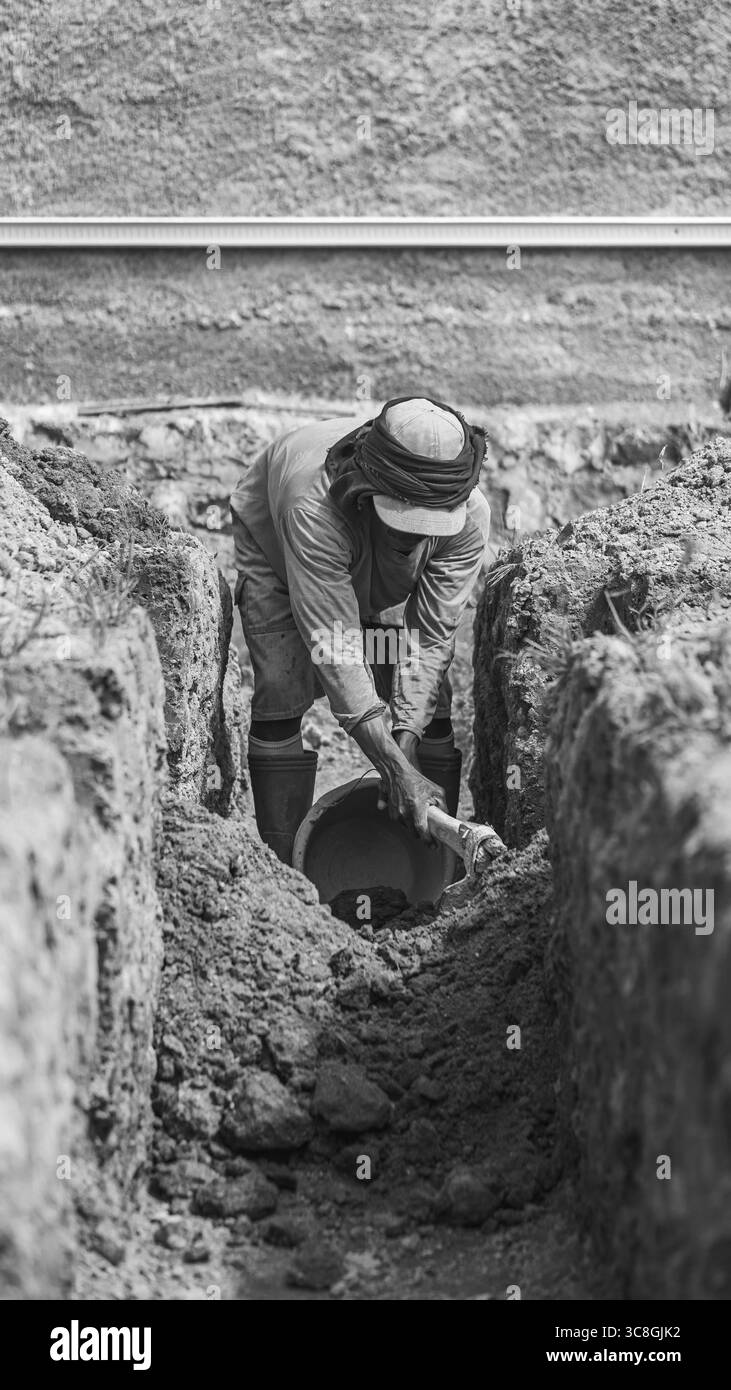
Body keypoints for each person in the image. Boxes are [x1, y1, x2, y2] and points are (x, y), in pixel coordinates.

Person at [230, 395, 491, 863]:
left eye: (426, 527)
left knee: (426, 697)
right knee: (282, 687)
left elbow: (428, 638)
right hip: (280, 556)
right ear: (368, 490)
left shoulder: (469, 518)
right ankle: (286, 872)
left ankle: (439, 863)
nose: (412, 536)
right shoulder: (311, 510)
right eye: (404, 521)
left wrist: (404, 742)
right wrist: (390, 765)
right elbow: (336, 647)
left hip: (378, 576)